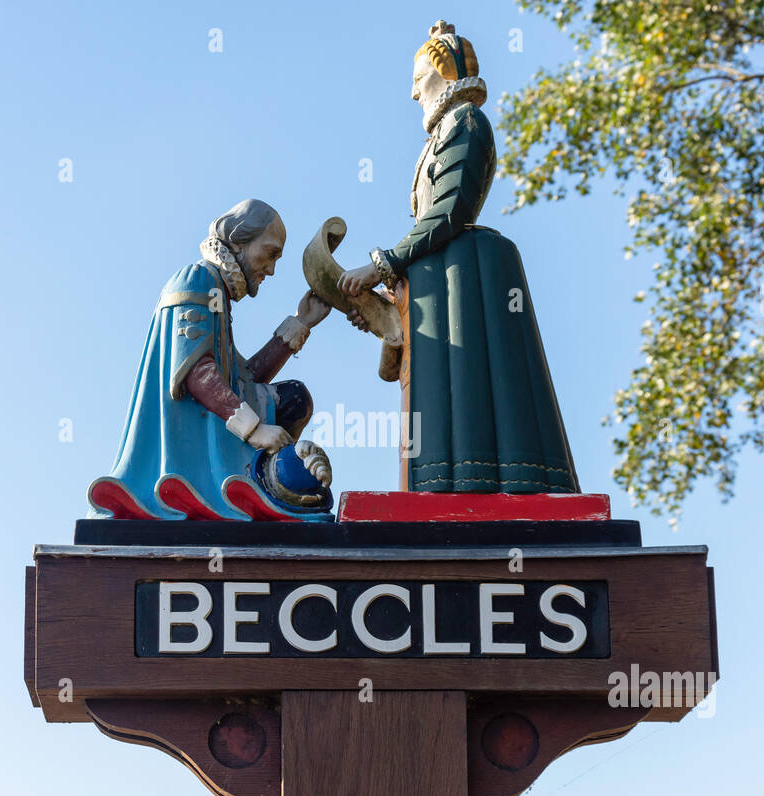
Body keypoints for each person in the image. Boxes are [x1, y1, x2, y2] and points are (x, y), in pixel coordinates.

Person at [338, 21, 579, 495]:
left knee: (470, 407)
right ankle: (440, 490)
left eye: (418, 78)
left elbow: (450, 210)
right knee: (437, 409)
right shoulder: (444, 130)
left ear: (443, 73)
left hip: (463, 280)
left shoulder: (466, 123)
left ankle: (475, 488)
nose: (412, 93)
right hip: (437, 280)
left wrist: (383, 263)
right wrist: (391, 300)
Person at [89, 199, 334, 520]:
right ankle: (264, 483)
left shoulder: (214, 288)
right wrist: (255, 430)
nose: (272, 269)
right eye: (270, 253)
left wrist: (300, 323)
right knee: (292, 403)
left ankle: (269, 480)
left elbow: (242, 379)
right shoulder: (197, 279)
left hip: (212, 425)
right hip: (194, 441)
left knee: (293, 399)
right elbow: (196, 373)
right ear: (239, 238)